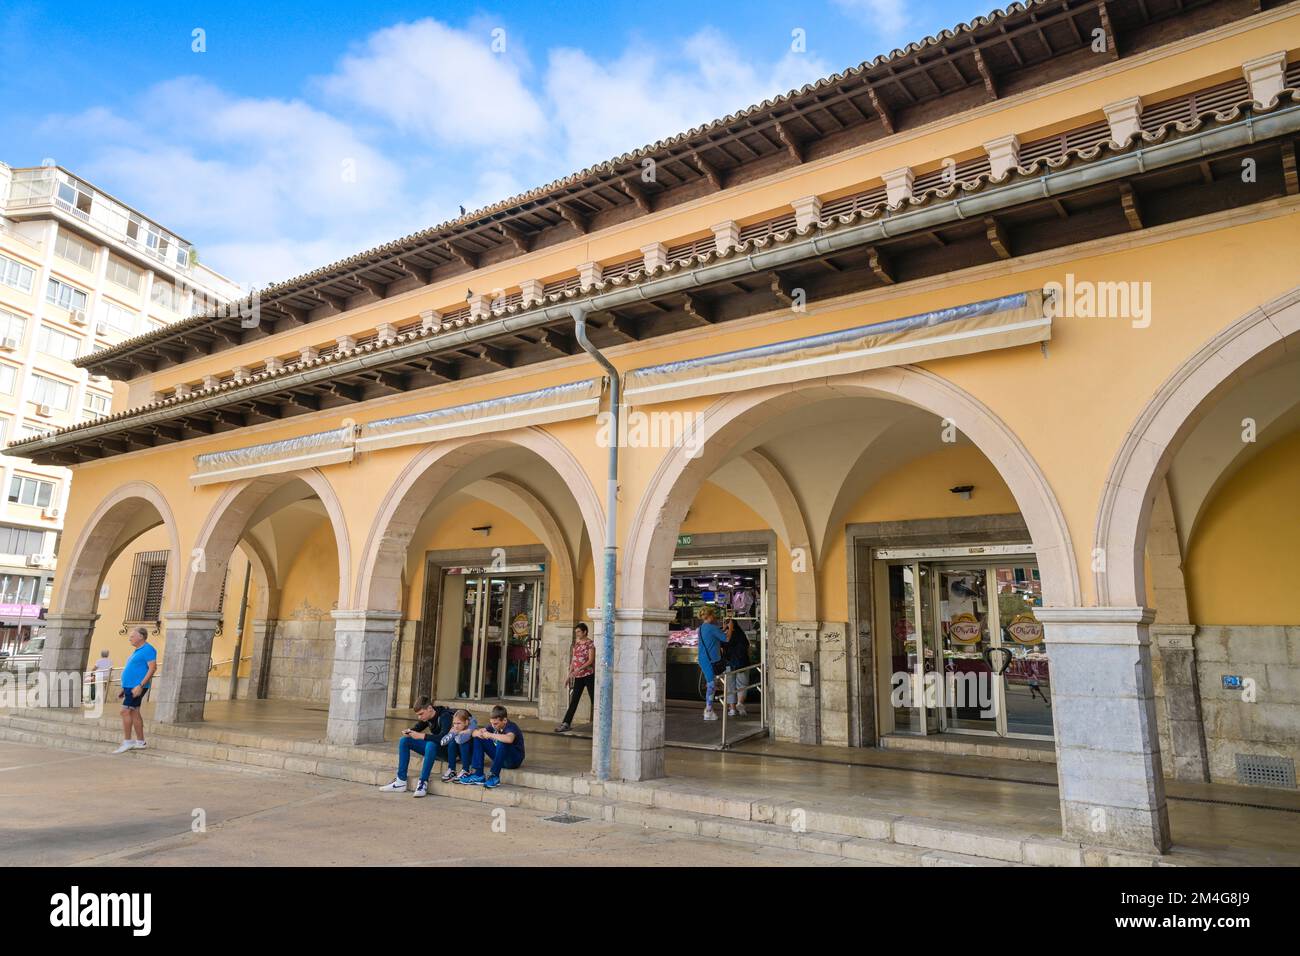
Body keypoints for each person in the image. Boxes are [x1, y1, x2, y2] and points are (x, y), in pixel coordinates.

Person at [379, 697, 455, 796]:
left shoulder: (445, 716)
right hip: (433, 750)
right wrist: (409, 731)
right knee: (404, 741)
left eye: (421, 714)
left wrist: (421, 736)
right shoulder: (428, 716)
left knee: (431, 744)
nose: (419, 717)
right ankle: (400, 782)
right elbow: (417, 727)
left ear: (429, 708)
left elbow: (443, 739)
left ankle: (423, 782)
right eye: (418, 715)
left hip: (448, 752)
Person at [113, 627, 157, 754]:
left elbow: (152, 668)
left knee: (125, 711)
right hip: (130, 686)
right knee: (134, 712)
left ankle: (127, 741)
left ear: (141, 637)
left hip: (136, 687)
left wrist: (140, 685)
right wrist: (123, 688)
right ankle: (140, 742)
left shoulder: (148, 649)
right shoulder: (138, 650)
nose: (130, 638)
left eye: (132, 636)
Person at [458, 704, 525, 789]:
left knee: (502, 742)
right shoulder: (493, 725)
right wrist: (475, 732)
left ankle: (494, 775)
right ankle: (478, 775)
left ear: (504, 720)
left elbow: (509, 739)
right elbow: (477, 733)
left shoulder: (511, 726)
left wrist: (490, 735)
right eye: (491, 723)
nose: (493, 726)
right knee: (479, 738)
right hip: (500, 757)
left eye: (496, 724)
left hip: (513, 761)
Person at [554, 622, 594, 733]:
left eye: (579, 631)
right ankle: (566, 723)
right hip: (578, 676)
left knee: (594, 699)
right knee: (574, 700)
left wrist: (579, 669)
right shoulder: (576, 644)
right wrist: (569, 675)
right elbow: (573, 660)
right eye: (576, 632)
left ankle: (600, 723)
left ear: (585, 631)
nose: (577, 633)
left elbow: (591, 660)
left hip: (589, 675)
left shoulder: (590, 643)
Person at [697, 606, 727, 721]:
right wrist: (730, 628)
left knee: (711, 683)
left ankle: (709, 709)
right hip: (710, 660)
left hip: (703, 659)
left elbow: (713, 635)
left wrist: (722, 629)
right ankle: (708, 710)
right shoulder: (712, 627)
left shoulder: (701, 628)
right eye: (713, 614)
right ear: (710, 616)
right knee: (711, 684)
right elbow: (726, 639)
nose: (714, 616)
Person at [722, 617, 751, 717]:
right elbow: (748, 648)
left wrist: (724, 629)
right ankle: (740, 703)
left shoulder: (726, 636)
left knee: (730, 687)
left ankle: (733, 709)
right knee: (742, 685)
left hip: (729, 664)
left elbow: (722, 647)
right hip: (742, 663)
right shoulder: (742, 635)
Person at [439, 708, 478, 782]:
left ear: (466, 722)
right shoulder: (456, 728)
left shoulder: (471, 726)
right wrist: (451, 734)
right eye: (454, 723)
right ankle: (452, 769)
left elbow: (460, 740)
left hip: (472, 757)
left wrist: (455, 733)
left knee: (462, 741)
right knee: (452, 742)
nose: (456, 726)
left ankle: (466, 770)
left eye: (458, 723)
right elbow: (443, 742)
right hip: (462, 755)